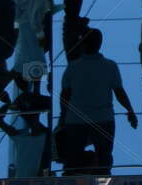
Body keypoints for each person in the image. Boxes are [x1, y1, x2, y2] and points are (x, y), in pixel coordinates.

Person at [58, 27, 137, 174]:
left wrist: (63, 116)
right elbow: (119, 92)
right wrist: (130, 110)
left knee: (73, 161)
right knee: (104, 159)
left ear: (83, 44)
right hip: (103, 118)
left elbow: (65, 95)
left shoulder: (73, 67)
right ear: (99, 44)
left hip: (76, 119)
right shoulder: (110, 66)